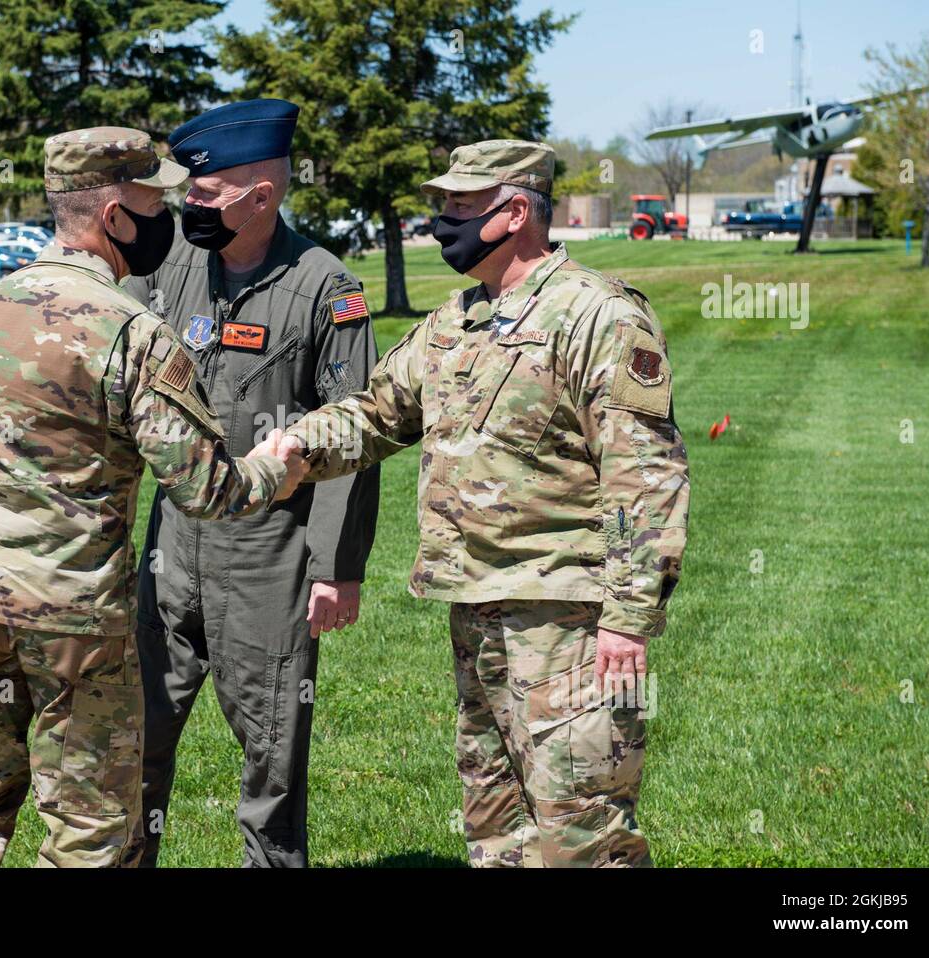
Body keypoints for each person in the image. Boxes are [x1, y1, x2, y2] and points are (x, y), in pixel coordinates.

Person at [0, 126, 303, 868]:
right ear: (115, 217)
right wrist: (279, 467)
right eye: (156, 202)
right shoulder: (134, 333)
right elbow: (206, 490)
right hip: (76, 620)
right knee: (89, 827)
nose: (170, 222)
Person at [279, 140, 690, 867]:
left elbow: (644, 472)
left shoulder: (597, 315)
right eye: (444, 207)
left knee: (581, 830)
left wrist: (628, 618)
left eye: (460, 208)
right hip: (476, 612)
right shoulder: (455, 322)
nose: (443, 222)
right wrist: (284, 451)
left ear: (516, 211)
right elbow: (373, 416)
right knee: (496, 828)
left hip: (567, 618)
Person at [125, 98, 380, 867]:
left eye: (203, 196)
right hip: (170, 543)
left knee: (271, 755)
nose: (185, 207)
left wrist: (336, 569)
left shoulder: (324, 288)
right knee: (134, 738)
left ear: (260, 197)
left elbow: (354, 430)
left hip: (269, 555)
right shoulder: (166, 269)